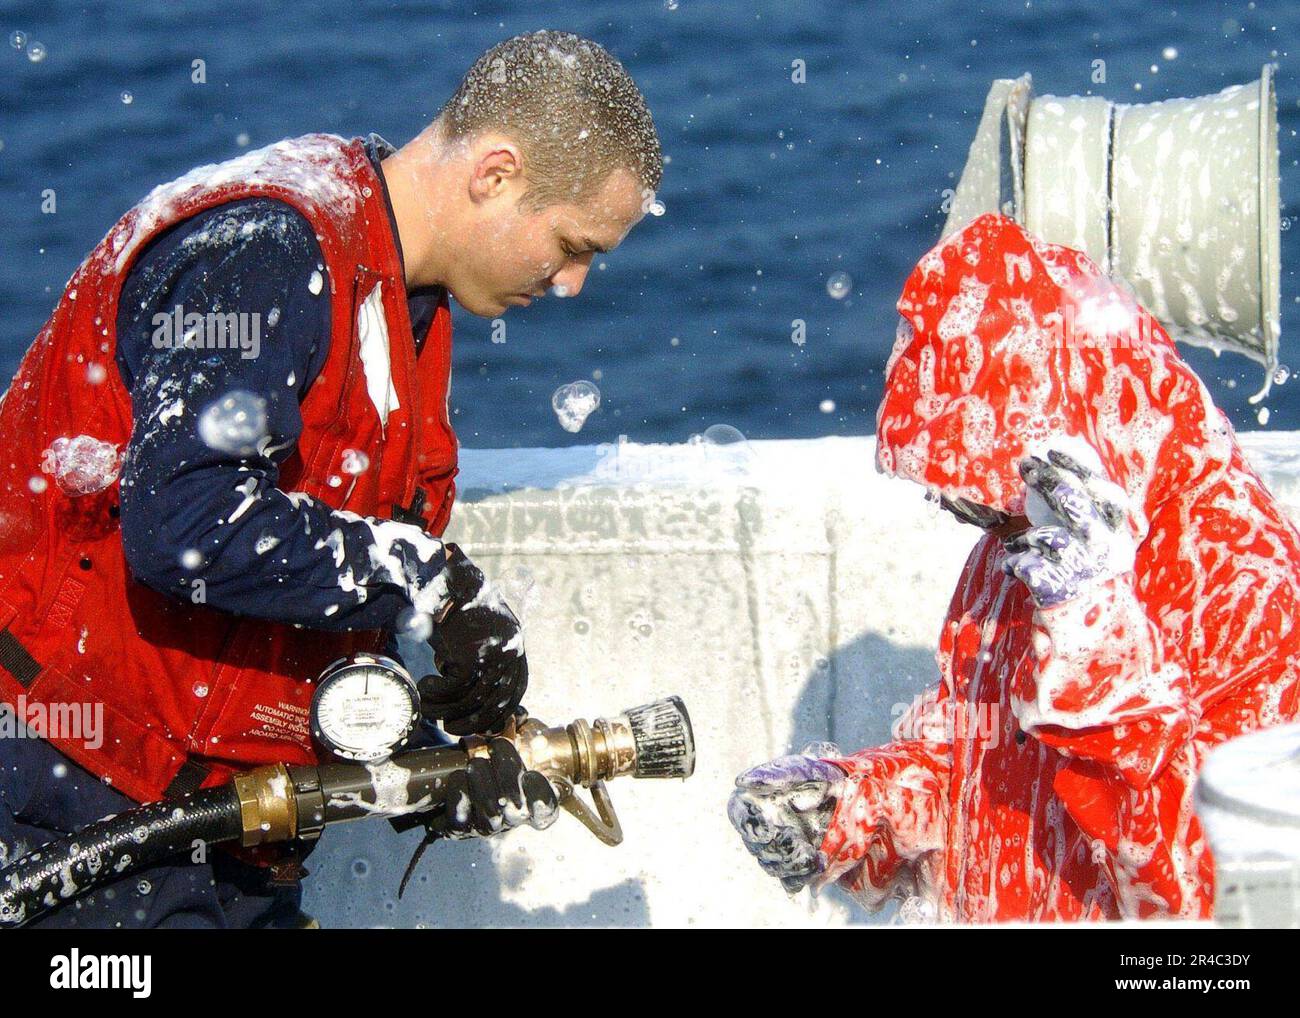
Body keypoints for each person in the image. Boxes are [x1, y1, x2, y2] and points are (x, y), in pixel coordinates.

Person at [0, 30, 662, 927]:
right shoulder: (264, 253)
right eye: (573, 245)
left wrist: (430, 761)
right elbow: (186, 523)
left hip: (226, 829)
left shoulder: (400, 302)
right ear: (496, 173)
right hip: (70, 801)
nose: (574, 283)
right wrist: (430, 582)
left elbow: (293, 573)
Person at [729, 213, 1300, 923]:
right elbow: (977, 768)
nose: (962, 515)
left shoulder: (1246, 583)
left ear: (1077, 435)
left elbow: (1206, 895)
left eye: (983, 499)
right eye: (959, 499)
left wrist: (1096, 645)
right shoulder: (1025, 548)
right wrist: (855, 807)